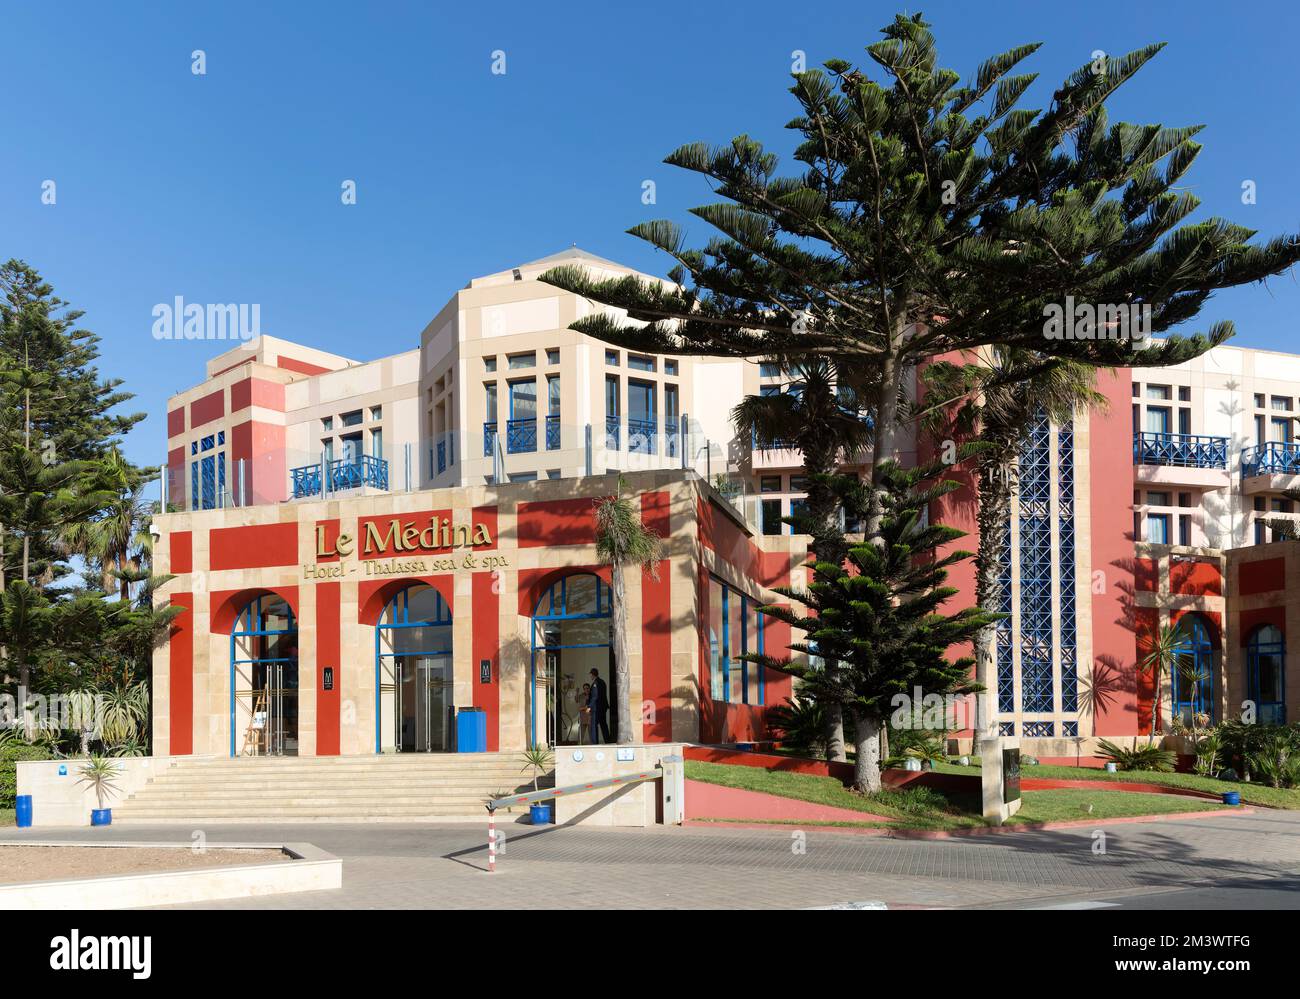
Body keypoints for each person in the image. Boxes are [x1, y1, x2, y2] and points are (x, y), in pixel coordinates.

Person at [587, 668, 610, 744]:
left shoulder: (595, 683)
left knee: (594, 725)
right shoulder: (602, 682)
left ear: (592, 674)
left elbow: (595, 696)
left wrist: (589, 706)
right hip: (603, 707)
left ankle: (594, 742)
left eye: (590, 675)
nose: (590, 676)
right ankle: (608, 741)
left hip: (597, 708)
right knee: (603, 725)